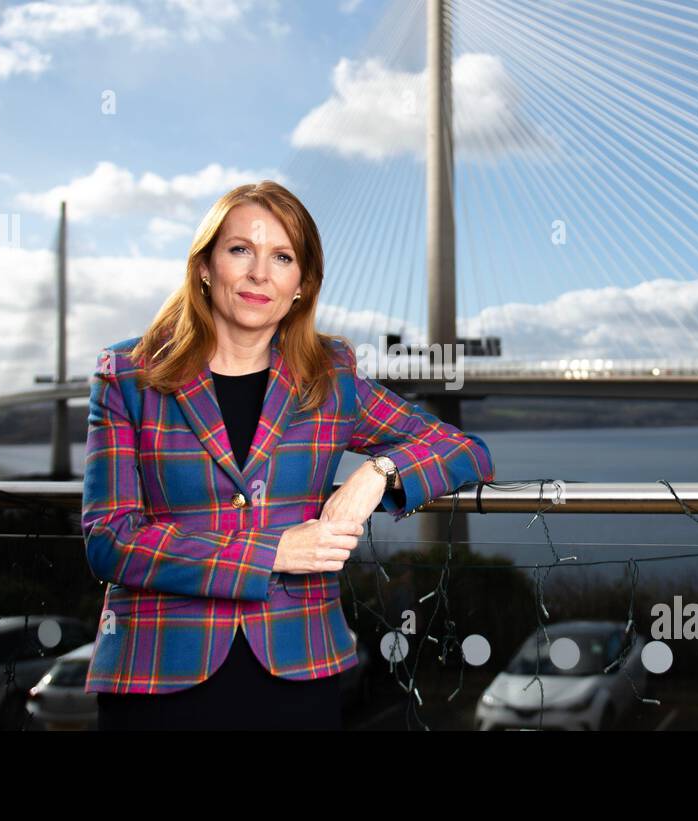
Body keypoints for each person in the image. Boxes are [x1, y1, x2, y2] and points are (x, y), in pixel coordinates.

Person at [81, 180, 495, 730]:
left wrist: (377, 472)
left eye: (282, 257)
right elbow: (110, 540)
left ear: (302, 283)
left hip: (297, 668)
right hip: (157, 668)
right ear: (205, 266)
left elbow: (464, 448)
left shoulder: (329, 374)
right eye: (240, 251)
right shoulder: (129, 373)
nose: (260, 274)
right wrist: (272, 552)